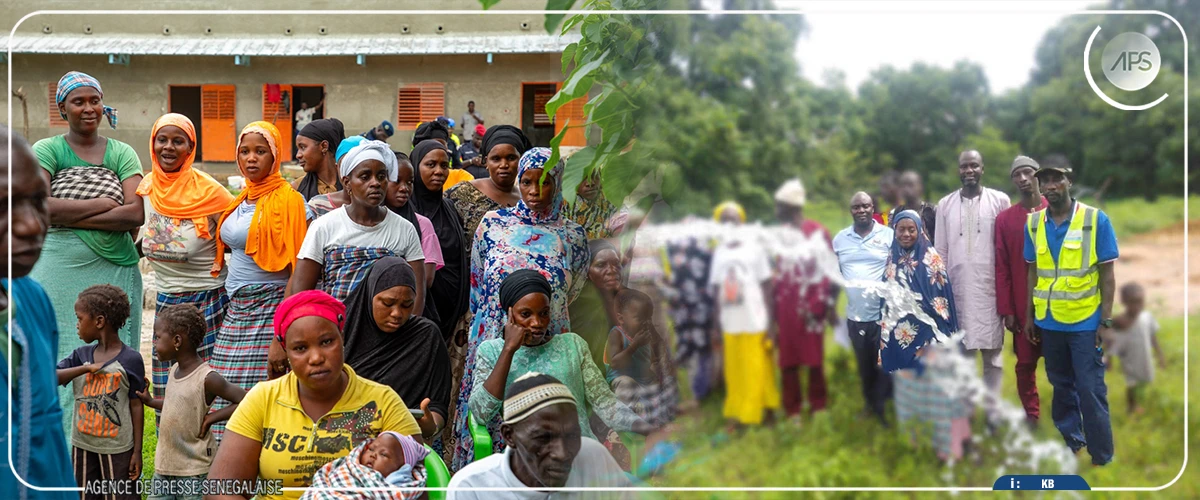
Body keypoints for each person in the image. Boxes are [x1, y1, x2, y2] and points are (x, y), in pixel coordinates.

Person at [207, 290, 423, 500]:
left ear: (342, 337)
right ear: (286, 351)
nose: (316, 358)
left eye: (327, 342)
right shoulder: (263, 398)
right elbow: (221, 489)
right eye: (300, 348)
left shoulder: (383, 401)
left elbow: (417, 488)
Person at [452, 149, 590, 469]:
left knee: (543, 418)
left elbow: (574, 287)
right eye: (526, 182)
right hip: (493, 336)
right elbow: (478, 280)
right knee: (488, 411)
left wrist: (542, 315)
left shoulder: (571, 235)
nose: (534, 191)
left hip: (547, 336)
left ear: (557, 182)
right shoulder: (494, 224)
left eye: (544, 183)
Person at [32, 72, 145, 436]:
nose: (88, 108)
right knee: (59, 353)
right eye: (78, 101)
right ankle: (62, 447)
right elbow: (39, 209)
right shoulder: (46, 150)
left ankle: (110, 447)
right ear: (62, 108)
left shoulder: (122, 152)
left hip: (114, 268)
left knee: (113, 361)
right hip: (57, 270)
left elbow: (135, 213)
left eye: (94, 100)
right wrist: (101, 201)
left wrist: (71, 210)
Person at [468, 270, 651, 462]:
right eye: (525, 314)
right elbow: (481, 413)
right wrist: (508, 350)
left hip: (582, 454)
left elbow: (605, 402)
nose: (537, 323)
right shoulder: (492, 351)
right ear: (510, 314)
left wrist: (649, 428)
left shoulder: (572, 345)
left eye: (544, 313)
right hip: (531, 463)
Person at [209, 121, 308, 439]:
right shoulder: (241, 200)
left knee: (261, 392)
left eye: (260, 151)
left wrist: (281, 333)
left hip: (270, 308)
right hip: (237, 308)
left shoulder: (290, 201)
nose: (251, 158)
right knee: (226, 385)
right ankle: (230, 464)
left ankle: (262, 469)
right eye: (245, 151)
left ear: (275, 156)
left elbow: (299, 267)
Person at [135, 113, 235, 414]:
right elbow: (138, 241)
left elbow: (236, 238)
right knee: (170, 390)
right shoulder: (146, 189)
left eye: (178, 141)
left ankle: (215, 457)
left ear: (190, 147)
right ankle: (173, 455)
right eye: (161, 140)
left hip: (208, 301)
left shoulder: (211, 193)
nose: (168, 147)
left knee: (209, 389)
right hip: (166, 301)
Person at [1023, 159, 1118, 466]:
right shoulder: (1034, 223)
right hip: (1049, 322)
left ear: (1068, 182)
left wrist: (1105, 320)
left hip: (1084, 323)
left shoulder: (1095, 220)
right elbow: (1032, 273)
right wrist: (1029, 317)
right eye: (1045, 181)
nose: (1050, 186)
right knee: (1061, 385)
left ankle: (1101, 453)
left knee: (1090, 389)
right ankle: (1071, 440)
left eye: (1056, 180)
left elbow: (1108, 276)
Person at [0, 125, 77, 497]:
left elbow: (47, 440)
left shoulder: (31, 302)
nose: (32, 225)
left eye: (38, 200)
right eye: (3, 206)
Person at [449, 373, 632, 499]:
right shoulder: (473, 488)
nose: (561, 453)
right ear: (509, 435)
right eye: (543, 438)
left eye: (571, 436)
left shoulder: (594, 457)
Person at [289, 140, 426, 307]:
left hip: (390, 330)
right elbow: (301, 293)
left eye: (382, 176)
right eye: (365, 176)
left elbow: (416, 296)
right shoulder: (324, 227)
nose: (375, 183)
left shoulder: (404, 229)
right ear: (347, 183)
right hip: (337, 327)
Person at [881, 210, 970, 461]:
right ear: (895, 231)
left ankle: (946, 449)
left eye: (912, 229)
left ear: (920, 231)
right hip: (900, 343)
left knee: (937, 392)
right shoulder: (891, 260)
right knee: (910, 392)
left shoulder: (932, 260)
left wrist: (930, 341)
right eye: (902, 229)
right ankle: (915, 444)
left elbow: (941, 305)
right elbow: (887, 303)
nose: (907, 234)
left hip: (931, 343)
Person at [136, 304, 246, 500]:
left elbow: (245, 400)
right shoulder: (174, 370)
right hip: (165, 466)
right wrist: (152, 402)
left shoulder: (207, 377)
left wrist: (210, 419)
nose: (154, 343)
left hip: (194, 471)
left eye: (158, 337)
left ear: (177, 340)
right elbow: (178, 406)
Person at [935, 149, 1010, 425]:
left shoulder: (999, 200)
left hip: (990, 290)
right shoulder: (945, 204)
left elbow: (1004, 248)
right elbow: (940, 249)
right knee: (963, 357)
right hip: (958, 292)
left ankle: (992, 414)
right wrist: (941, 293)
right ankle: (965, 415)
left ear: (982, 169)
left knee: (993, 358)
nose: (969, 170)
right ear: (958, 170)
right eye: (964, 166)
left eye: (974, 166)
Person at [342, 258, 452, 442]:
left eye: (407, 305)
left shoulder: (425, 337)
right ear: (370, 295)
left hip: (401, 443)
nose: (397, 314)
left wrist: (431, 425)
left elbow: (437, 405)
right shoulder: (341, 331)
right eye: (387, 303)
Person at [55, 285, 145, 497]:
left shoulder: (130, 360)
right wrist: (85, 368)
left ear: (99, 321)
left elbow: (136, 404)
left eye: (79, 319)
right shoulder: (81, 355)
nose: (77, 325)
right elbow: (51, 377)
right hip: (83, 446)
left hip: (118, 449)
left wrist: (138, 451)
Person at [709, 201, 781, 431]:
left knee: (759, 367)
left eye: (733, 219)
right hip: (730, 322)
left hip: (755, 319)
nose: (729, 224)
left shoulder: (754, 247)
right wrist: (715, 325)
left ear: (741, 222)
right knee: (736, 372)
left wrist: (771, 322)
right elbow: (715, 289)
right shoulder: (718, 252)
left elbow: (767, 285)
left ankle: (767, 412)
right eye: (724, 220)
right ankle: (738, 415)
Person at [773, 179, 837, 420]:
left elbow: (828, 271)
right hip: (786, 307)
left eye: (779, 207)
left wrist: (821, 305)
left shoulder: (817, 232)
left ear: (792, 207)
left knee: (813, 358)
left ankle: (818, 404)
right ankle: (793, 409)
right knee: (787, 359)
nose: (776, 212)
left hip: (812, 305)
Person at [994, 155, 1048, 424]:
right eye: (1017, 175)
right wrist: (1007, 310)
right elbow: (1002, 266)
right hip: (1021, 305)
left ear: (1038, 175)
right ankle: (1032, 416)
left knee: (1061, 365)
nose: (1023, 179)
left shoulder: (1059, 210)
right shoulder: (1005, 220)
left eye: (1028, 173)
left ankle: (1068, 416)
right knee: (1025, 365)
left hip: (1057, 305)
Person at [833, 191, 894, 423]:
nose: (861, 210)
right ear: (851, 211)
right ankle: (870, 405)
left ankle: (883, 408)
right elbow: (833, 273)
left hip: (884, 315)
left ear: (872, 208)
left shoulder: (888, 235)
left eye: (866, 206)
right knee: (865, 365)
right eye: (856, 207)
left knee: (884, 365)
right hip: (856, 317)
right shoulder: (840, 239)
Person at [410, 140, 471, 340]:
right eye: (430, 164)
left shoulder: (450, 209)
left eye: (444, 165)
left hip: (453, 310)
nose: (439, 171)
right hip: (419, 312)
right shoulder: (405, 212)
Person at [445, 124, 531, 260]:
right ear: (486, 162)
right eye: (496, 159)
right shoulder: (461, 193)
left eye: (511, 158)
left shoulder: (528, 199)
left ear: (521, 161)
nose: (504, 165)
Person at [605, 288, 678, 428]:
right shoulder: (617, 334)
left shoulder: (646, 330)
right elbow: (615, 363)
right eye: (639, 318)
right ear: (621, 319)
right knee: (628, 386)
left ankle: (660, 419)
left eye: (648, 317)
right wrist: (634, 345)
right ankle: (638, 424)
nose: (645, 322)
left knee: (662, 380)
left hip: (645, 380)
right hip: (626, 382)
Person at [664, 228, 717, 404]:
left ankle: (702, 391)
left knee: (701, 348)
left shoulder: (704, 254)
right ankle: (700, 390)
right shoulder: (673, 251)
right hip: (687, 310)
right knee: (695, 348)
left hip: (698, 309)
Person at [304, 431, 429, 499]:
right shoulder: (348, 467)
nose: (373, 455)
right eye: (371, 449)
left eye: (384, 454)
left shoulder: (397, 486)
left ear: (401, 468)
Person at [387, 151, 445, 292]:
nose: (404, 188)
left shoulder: (421, 225)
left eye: (410, 182)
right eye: (396, 181)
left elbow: (426, 279)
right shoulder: (368, 222)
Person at [1108, 283, 1164, 415]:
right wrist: (1109, 360)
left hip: (1144, 355)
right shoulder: (1119, 321)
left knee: (1145, 378)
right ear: (1124, 302)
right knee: (1131, 382)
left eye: (1140, 302)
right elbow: (1110, 340)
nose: (1137, 306)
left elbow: (1152, 336)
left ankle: (1141, 403)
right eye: (1132, 302)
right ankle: (1131, 407)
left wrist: (1159, 354)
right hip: (1129, 358)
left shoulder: (1146, 317)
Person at [306, 135, 367, 221]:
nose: (351, 172)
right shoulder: (318, 205)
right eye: (345, 165)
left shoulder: (376, 207)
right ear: (337, 167)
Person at [292, 117, 344, 201]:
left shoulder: (351, 186)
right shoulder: (296, 189)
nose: (298, 155)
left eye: (303, 147)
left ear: (324, 146)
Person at [565, 168, 619, 240]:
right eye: (582, 177)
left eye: (594, 176)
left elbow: (621, 219)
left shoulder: (608, 197)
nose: (590, 183)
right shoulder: (564, 202)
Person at [888, 170, 937, 241]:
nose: (906, 189)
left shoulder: (933, 211)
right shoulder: (895, 213)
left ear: (920, 187)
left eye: (910, 185)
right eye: (903, 186)